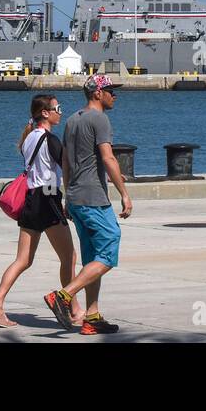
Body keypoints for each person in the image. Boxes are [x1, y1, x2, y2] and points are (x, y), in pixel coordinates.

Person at [0, 94, 86, 329]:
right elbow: (68, 166)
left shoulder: (29, 138)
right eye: (57, 108)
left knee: (23, 260)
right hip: (47, 198)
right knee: (68, 257)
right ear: (45, 113)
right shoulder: (50, 139)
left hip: (31, 200)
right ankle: (74, 309)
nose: (60, 111)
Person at [45, 73, 132, 335]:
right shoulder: (100, 119)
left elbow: (68, 162)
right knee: (109, 248)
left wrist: (68, 196)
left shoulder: (72, 120)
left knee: (92, 258)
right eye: (110, 91)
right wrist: (124, 193)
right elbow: (108, 158)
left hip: (76, 198)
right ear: (97, 94)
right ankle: (63, 295)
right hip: (94, 198)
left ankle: (92, 317)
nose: (114, 95)